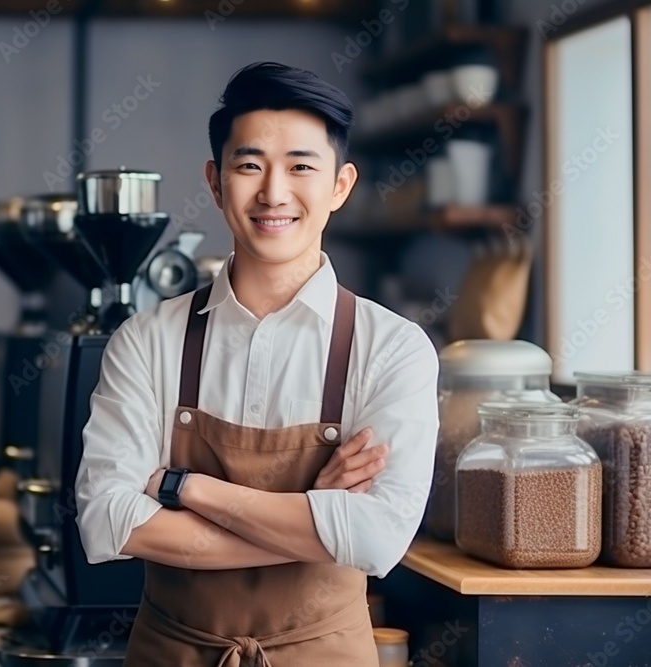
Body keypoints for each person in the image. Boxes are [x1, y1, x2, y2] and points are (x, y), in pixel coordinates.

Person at [75, 61, 439, 666]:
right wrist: (313, 518)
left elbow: (376, 540)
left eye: (301, 167)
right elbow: (108, 522)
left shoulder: (392, 348)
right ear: (216, 183)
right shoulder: (146, 339)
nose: (273, 193)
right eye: (250, 166)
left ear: (340, 186)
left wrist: (181, 487)